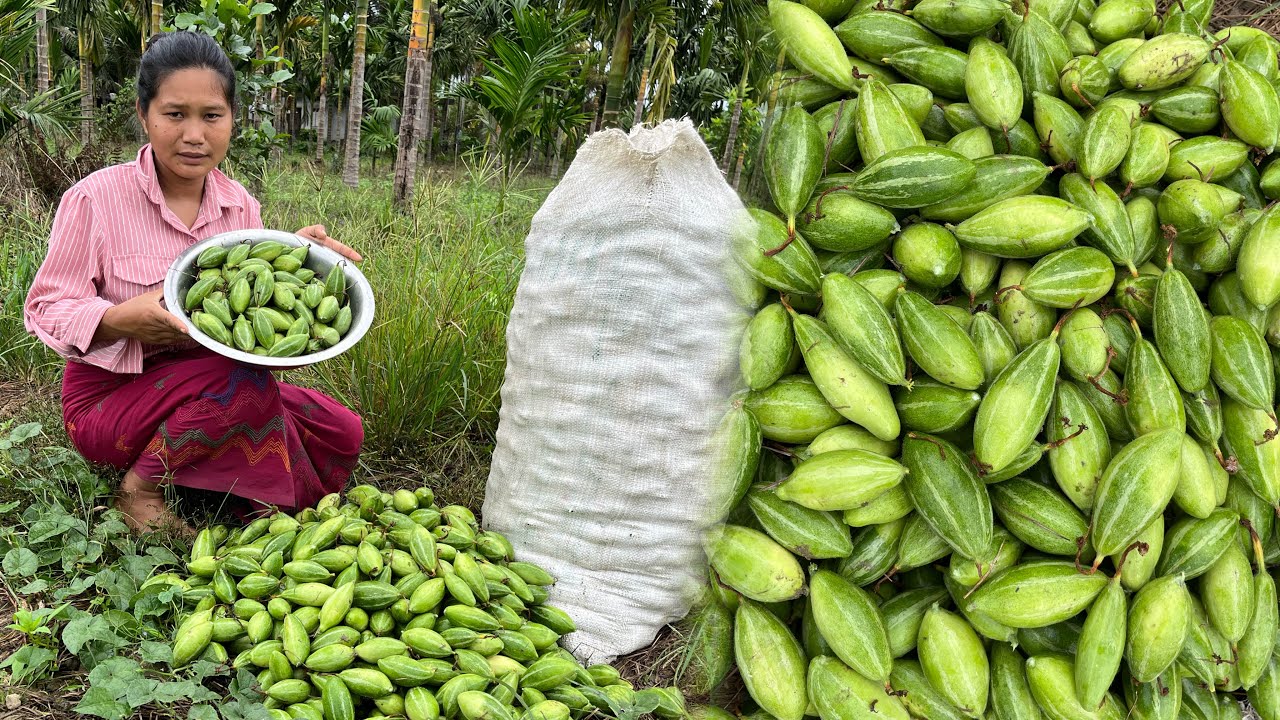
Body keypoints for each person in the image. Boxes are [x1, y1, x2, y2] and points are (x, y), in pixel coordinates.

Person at [24, 31, 365, 535]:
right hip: (109, 400)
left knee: (340, 428)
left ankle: (203, 470)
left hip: (211, 389)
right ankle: (138, 490)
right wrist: (119, 321)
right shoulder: (96, 199)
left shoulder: (239, 205)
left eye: (211, 115)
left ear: (231, 120)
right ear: (144, 115)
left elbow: (243, 283)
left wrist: (297, 258)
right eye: (174, 114)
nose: (194, 134)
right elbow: (45, 308)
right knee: (244, 388)